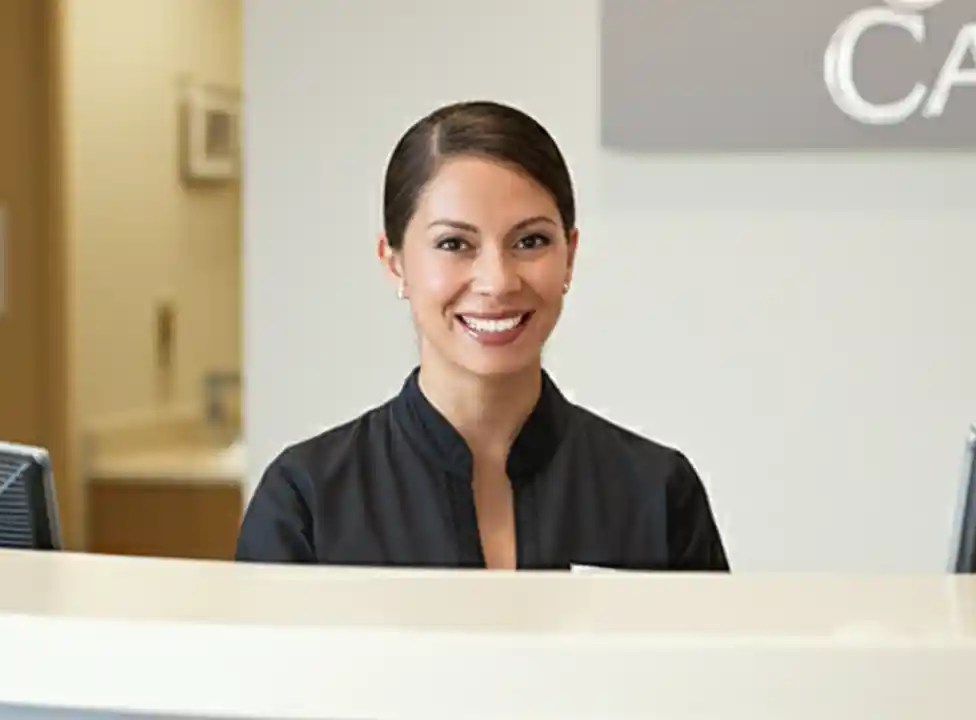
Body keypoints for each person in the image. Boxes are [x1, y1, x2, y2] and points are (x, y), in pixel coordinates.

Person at [236, 100, 729, 571]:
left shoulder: (657, 493)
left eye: (530, 241)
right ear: (396, 263)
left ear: (570, 256)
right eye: (455, 244)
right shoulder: (307, 502)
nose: (497, 281)